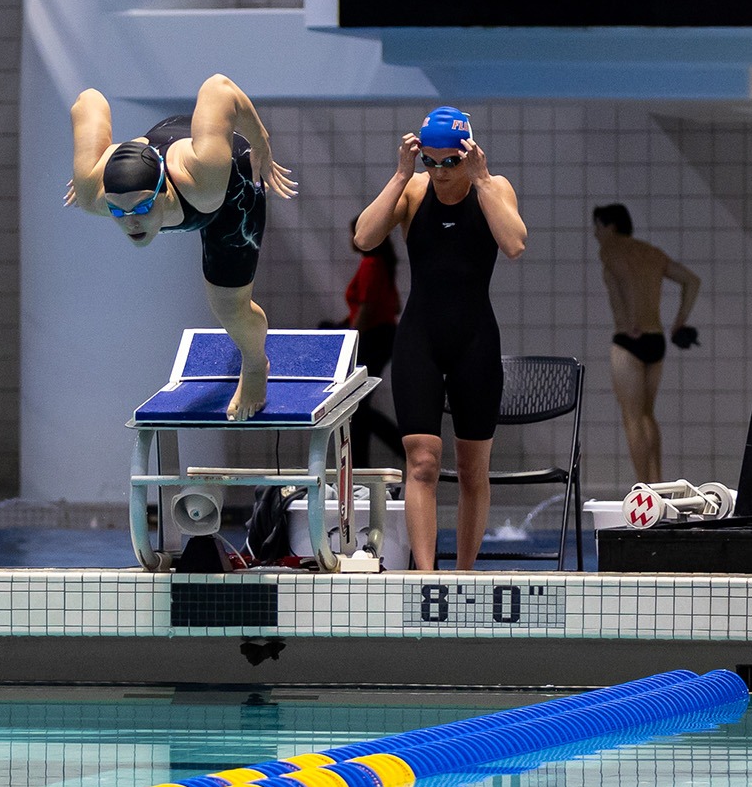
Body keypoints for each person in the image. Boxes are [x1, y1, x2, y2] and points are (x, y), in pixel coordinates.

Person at [353, 107, 526, 570]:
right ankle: (426, 579)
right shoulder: (413, 190)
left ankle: (464, 575)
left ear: (467, 155)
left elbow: (514, 244)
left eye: (450, 162)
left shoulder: (495, 187)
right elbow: (365, 237)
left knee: (472, 470)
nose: (440, 172)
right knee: (423, 461)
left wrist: (483, 180)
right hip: (420, 340)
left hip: (475, 341)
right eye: (431, 161)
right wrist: (400, 175)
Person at [66, 75, 297, 421]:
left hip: (229, 187)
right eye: (119, 211)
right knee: (96, 194)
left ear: (162, 190)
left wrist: (260, 139)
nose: (131, 222)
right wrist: (88, 174)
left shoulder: (205, 177)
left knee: (230, 308)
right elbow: (88, 100)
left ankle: (254, 363)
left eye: (143, 208)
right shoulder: (93, 195)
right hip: (165, 141)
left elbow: (219, 87)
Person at [592, 204, 701, 483]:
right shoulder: (652, 252)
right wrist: (678, 322)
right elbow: (692, 281)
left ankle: (644, 489)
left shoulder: (611, 249)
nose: (595, 233)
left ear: (609, 226)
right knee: (648, 416)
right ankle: (657, 484)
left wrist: (630, 321)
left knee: (633, 419)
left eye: (597, 227)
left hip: (630, 340)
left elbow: (625, 277)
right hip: (656, 339)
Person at [345, 220, 404, 465]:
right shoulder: (382, 265)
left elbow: (367, 308)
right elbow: (395, 306)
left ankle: (366, 464)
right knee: (358, 408)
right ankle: (362, 465)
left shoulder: (371, 264)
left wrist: (351, 338)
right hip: (384, 335)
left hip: (373, 338)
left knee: (357, 407)